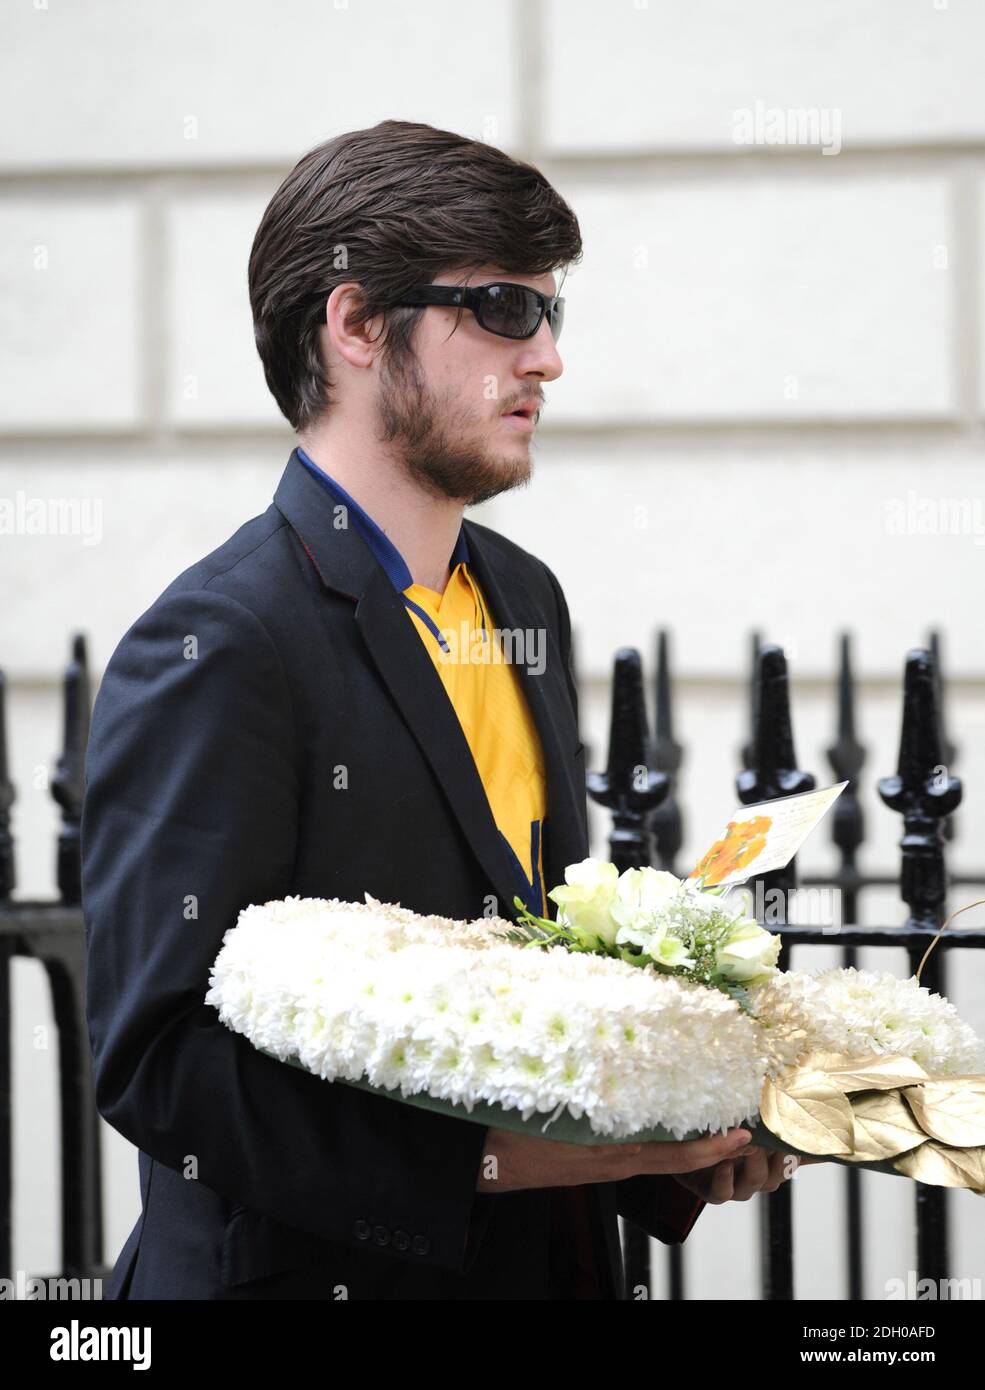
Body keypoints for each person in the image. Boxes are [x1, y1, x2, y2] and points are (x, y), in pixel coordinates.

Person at [81, 119, 795, 1302]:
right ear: (356, 325)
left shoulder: (523, 598)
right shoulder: (218, 642)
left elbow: (536, 979)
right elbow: (158, 1060)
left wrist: (675, 1146)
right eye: (504, 310)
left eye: (550, 312)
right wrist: (489, 1161)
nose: (548, 357)